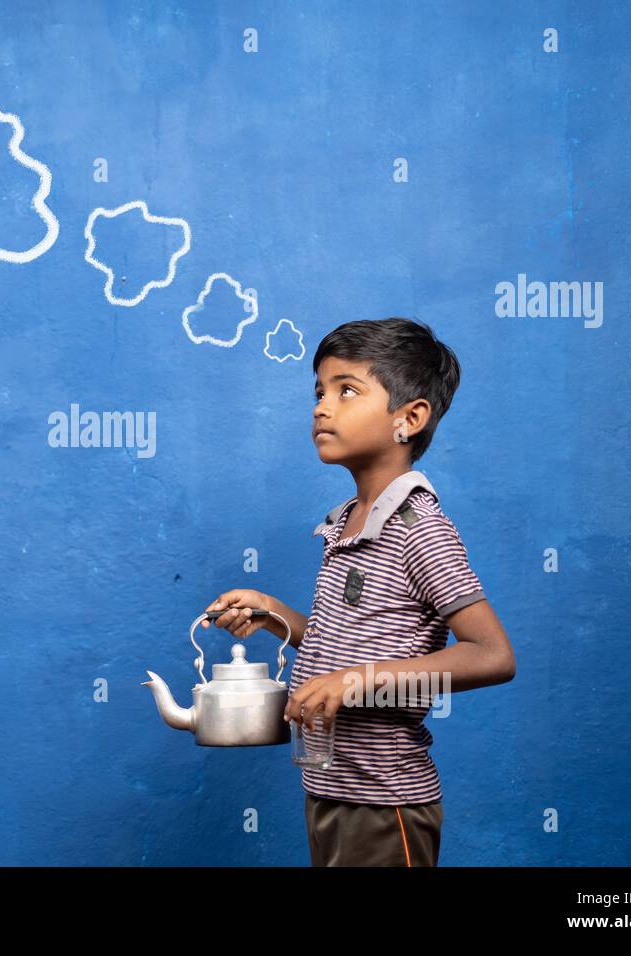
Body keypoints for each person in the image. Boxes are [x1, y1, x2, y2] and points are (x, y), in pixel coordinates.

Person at [203, 317, 516, 866]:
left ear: (408, 419)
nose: (322, 406)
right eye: (318, 392)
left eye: (347, 390)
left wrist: (355, 683)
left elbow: (492, 656)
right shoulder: (346, 525)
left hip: (385, 801)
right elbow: (344, 641)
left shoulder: (419, 528)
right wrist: (274, 614)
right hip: (330, 789)